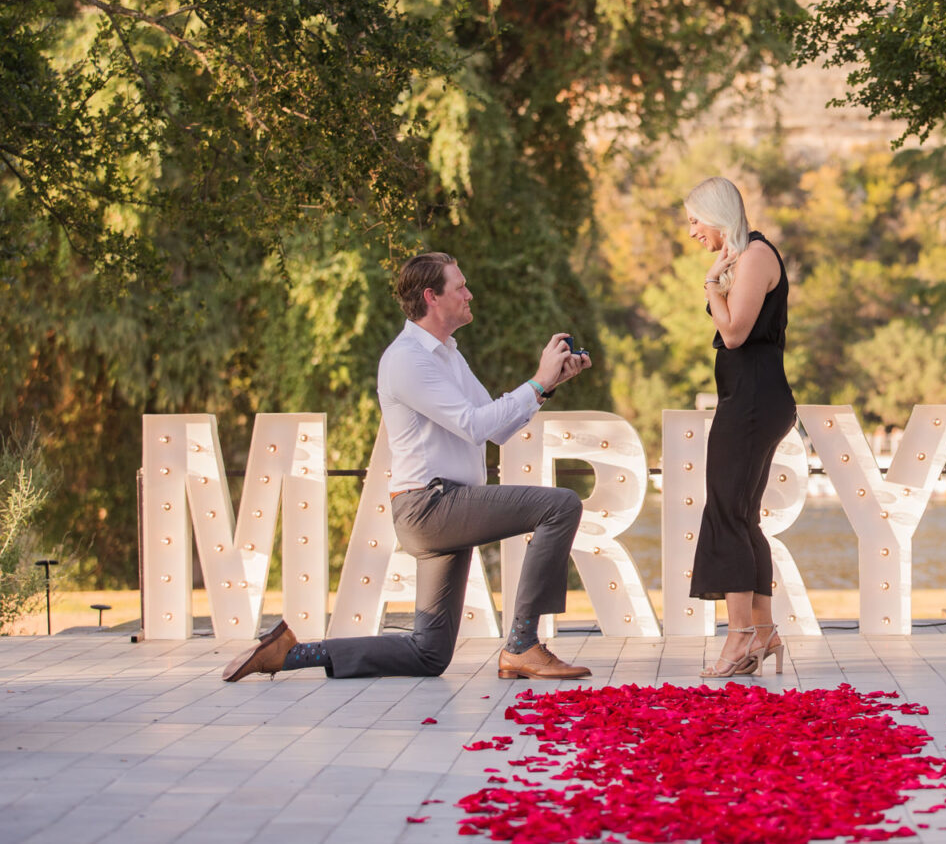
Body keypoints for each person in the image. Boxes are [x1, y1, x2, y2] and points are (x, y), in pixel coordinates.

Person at [223, 251, 594, 682]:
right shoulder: (407, 360)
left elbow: (496, 427)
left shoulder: (447, 355)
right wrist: (537, 380)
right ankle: (523, 645)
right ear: (431, 296)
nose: (470, 294)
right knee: (561, 505)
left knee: (428, 655)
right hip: (432, 506)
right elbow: (474, 426)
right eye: (460, 287)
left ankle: (291, 654)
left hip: (447, 506)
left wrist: (546, 388)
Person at [684, 177, 797, 677]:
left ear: (717, 214)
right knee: (740, 514)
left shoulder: (754, 256)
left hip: (752, 400)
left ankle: (738, 639)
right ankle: (764, 631)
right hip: (751, 397)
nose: (691, 232)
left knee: (727, 512)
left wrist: (711, 282)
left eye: (694, 220)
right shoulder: (747, 257)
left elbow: (733, 335)